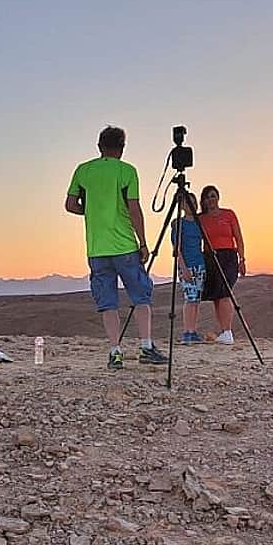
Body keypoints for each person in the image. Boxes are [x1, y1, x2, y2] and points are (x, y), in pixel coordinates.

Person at [64, 126, 168, 370]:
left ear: (100, 146)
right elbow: (134, 209)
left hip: (97, 248)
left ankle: (115, 351)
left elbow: (70, 204)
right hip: (124, 246)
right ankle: (146, 346)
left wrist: (90, 211)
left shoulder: (83, 171)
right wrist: (143, 242)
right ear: (122, 147)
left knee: (107, 301)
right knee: (141, 295)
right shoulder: (127, 171)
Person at [197, 185, 246, 345]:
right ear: (203, 201)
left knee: (225, 293)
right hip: (210, 257)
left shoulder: (228, 214)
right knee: (216, 296)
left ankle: (228, 331)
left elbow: (238, 237)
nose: (211, 200)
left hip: (228, 256)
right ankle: (224, 330)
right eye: (207, 197)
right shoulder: (201, 218)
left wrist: (242, 259)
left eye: (213, 196)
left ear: (218, 197)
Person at [173, 192, 206, 344]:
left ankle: (193, 330)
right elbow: (176, 248)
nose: (191, 205)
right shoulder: (178, 223)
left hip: (200, 263)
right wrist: (183, 267)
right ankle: (187, 331)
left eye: (193, 202)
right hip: (187, 265)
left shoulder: (199, 222)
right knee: (189, 298)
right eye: (188, 202)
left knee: (196, 299)